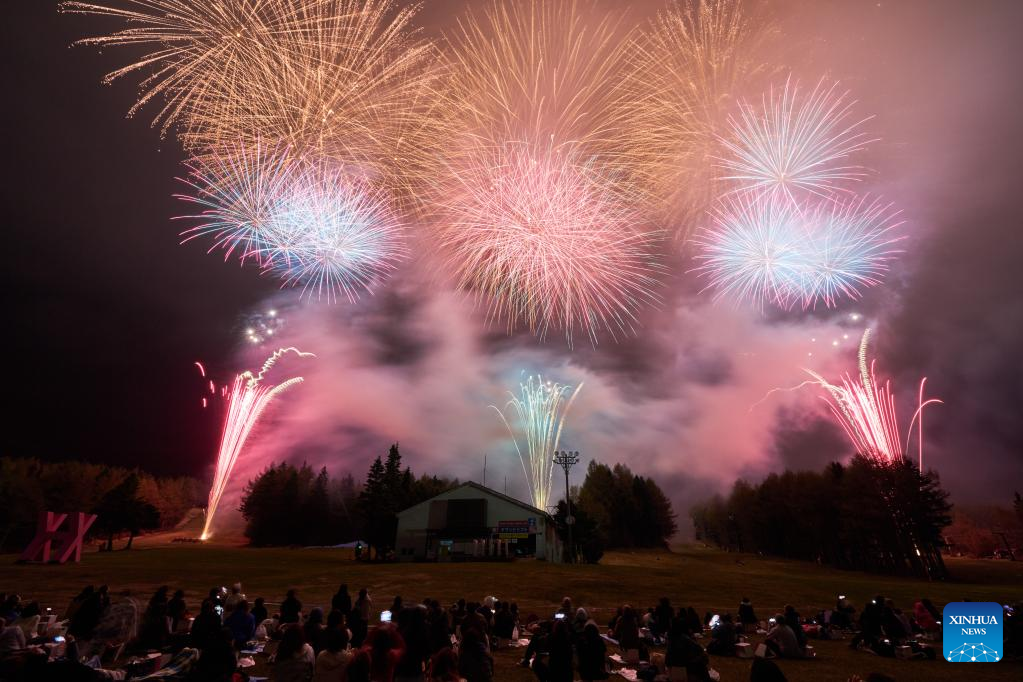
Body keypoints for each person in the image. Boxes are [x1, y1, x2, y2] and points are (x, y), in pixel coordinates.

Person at [665, 618, 710, 682]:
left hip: (673, 665)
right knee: (702, 658)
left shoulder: (670, 637)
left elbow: (668, 657)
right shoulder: (683, 638)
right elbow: (699, 649)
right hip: (684, 665)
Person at [531, 617, 573, 682]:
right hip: (568, 673)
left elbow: (545, 649)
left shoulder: (551, 637)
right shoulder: (568, 639)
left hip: (555, 672)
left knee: (536, 663)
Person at [396, 605, 431, 681]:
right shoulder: (422, 632)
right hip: (416, 670)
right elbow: (427, 651)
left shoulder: (403, 632)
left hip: (402, 670)